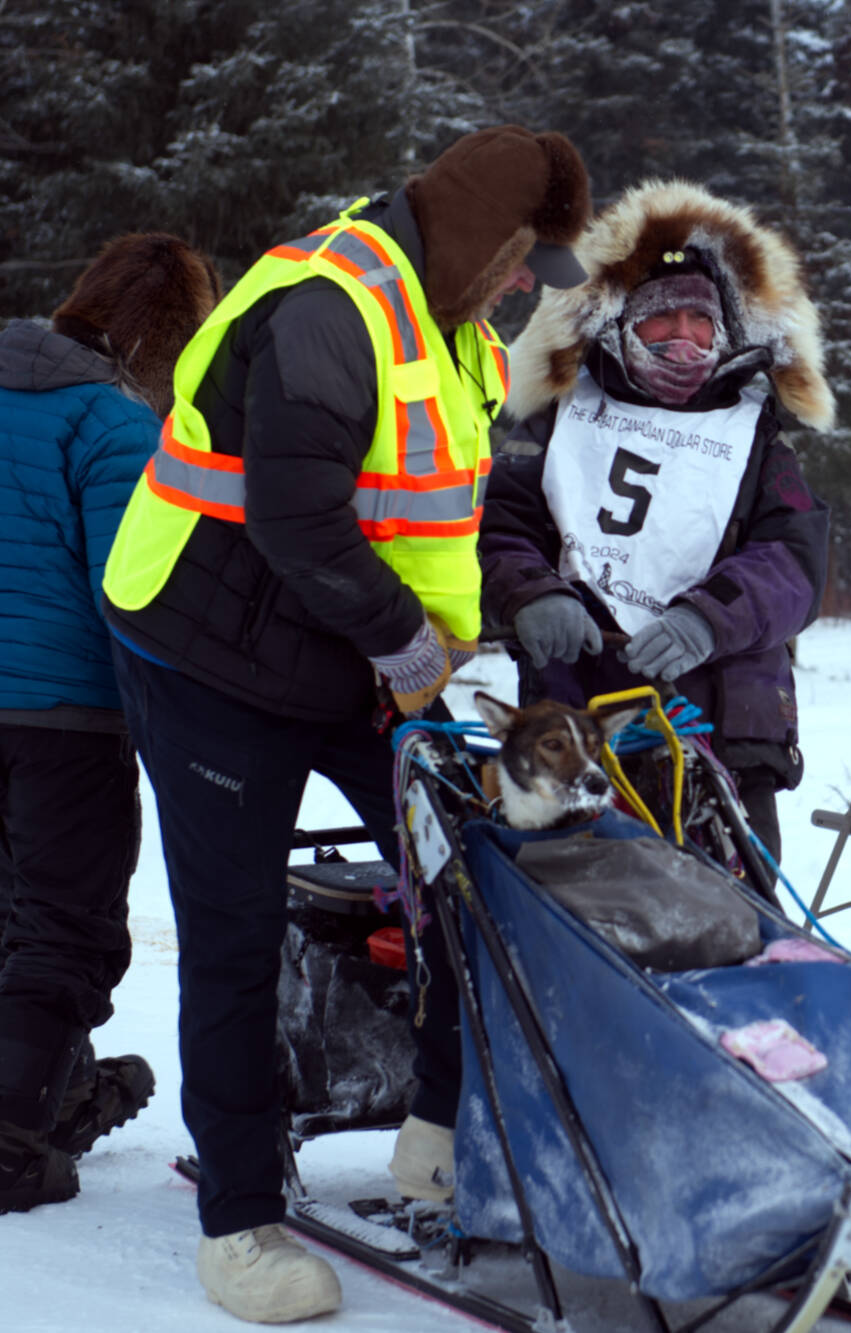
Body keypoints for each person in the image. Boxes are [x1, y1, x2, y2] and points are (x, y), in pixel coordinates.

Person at [98, 126, 590, 1324]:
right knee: (234, 929)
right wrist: (411, 647)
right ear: (483, 235)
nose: (529, 286)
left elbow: (431, 510)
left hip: (348, 660)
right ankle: (239, 1220)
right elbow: (298, 518)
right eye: (526, 258)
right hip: (208, 654)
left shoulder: (456, 326)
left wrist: (455, 644)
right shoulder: (330, 306)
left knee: (464, 884)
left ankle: (434, 1132)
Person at [478, 177, 833, 866]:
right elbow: (498, 529)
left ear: (724, 328)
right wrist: (532, 595)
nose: (684, 338)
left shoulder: (756, 434)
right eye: (661, 321)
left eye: (700, 322)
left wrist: (709, 616)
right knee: (589, 915)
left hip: (725, 731)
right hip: (578, 729)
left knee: (742, 921)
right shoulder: (559, 418)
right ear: (619, 323)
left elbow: (793, 562)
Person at [0, 234, 222, 1215]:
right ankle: (14, 1142)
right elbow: (129, 593)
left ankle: (56, 1091)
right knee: (62, 923)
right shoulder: (113, 421)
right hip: (65, 720)